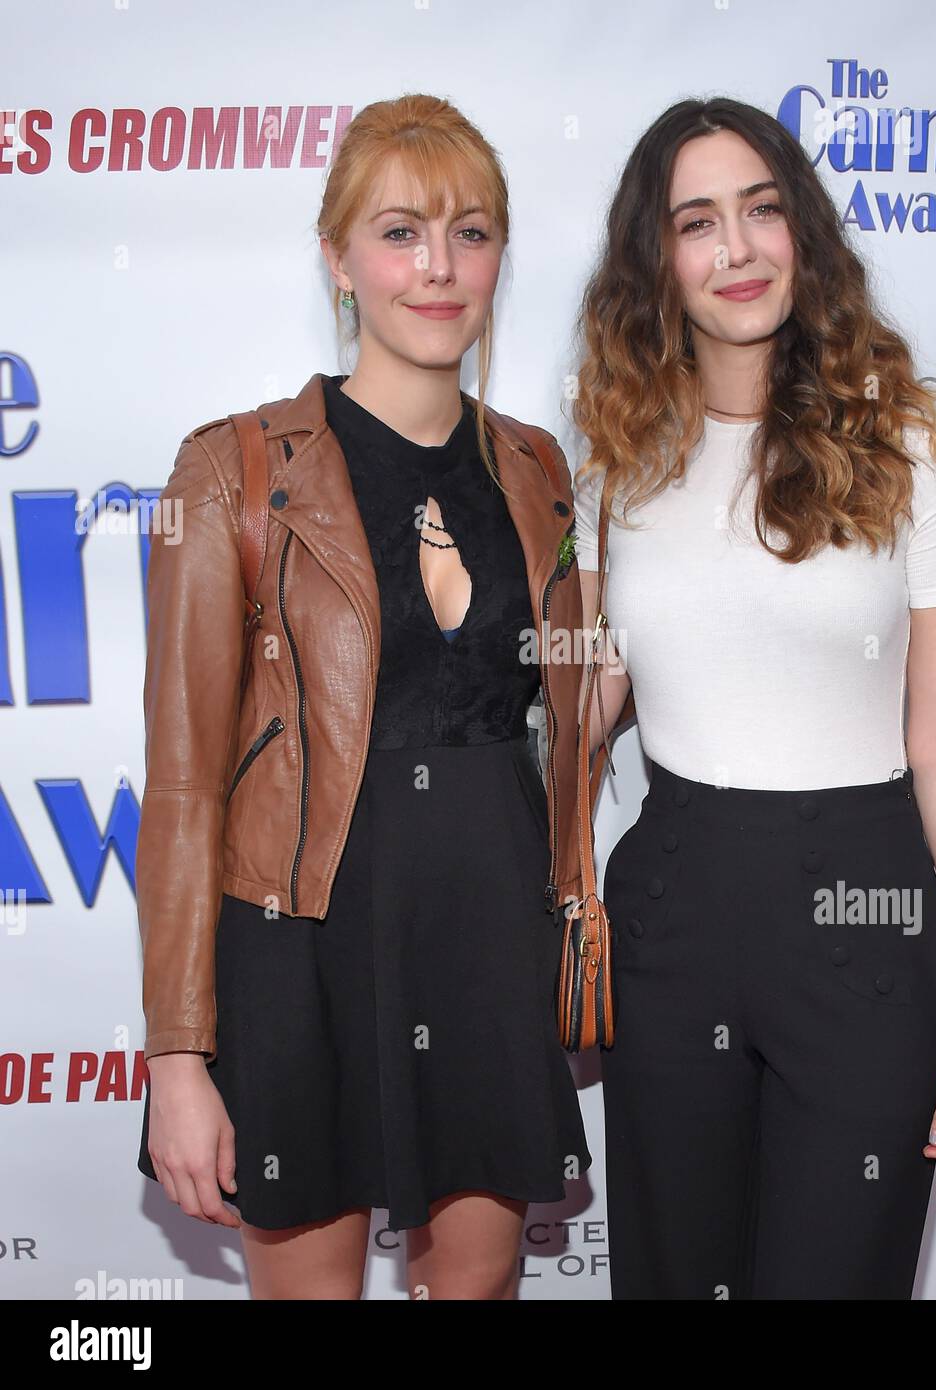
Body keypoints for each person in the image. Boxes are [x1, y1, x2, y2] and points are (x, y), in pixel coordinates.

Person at [135, 94, 590, 1300]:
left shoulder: (540, 468)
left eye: (470, 232)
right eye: (399, 232)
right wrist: (178, 1053)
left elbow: (582, 705)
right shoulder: (231, 469)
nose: (437, 268)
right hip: (301, 948)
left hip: (489, 937)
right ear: (336, 258)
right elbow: (182, 782)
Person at [571, 97, 936, 1299]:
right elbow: (591, 693)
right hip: (671, 914)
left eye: (763, 210)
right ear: (653, 261)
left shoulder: (912, 437)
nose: (737, 249)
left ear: (802, 230)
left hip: (864, 918)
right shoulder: (617, 453)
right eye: (697, 222)